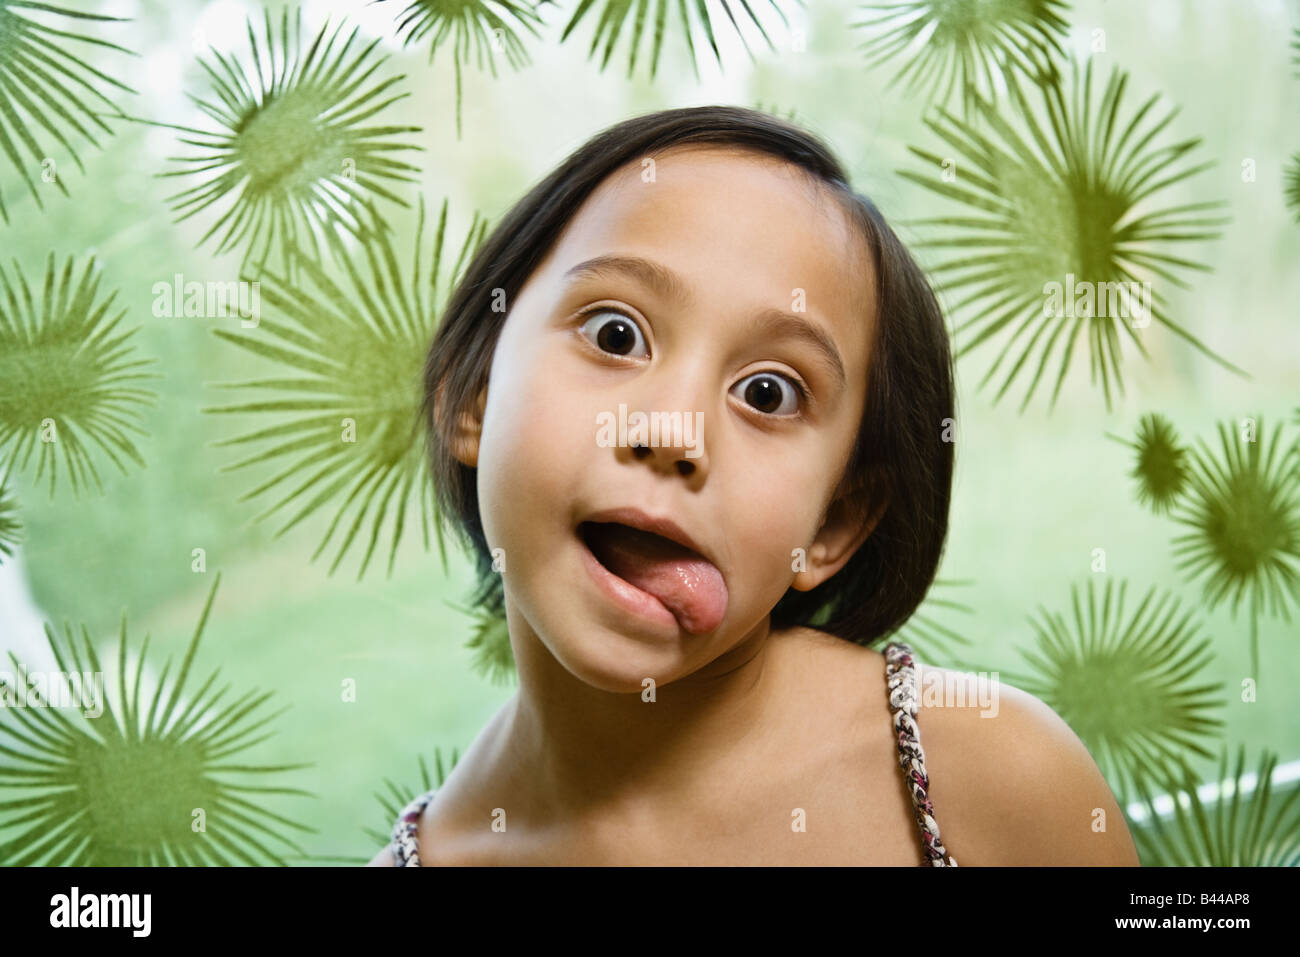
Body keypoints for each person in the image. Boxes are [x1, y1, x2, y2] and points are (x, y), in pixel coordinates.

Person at [368, 105, 1139, 866]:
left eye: (768, 393)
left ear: (833, 525)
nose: (674, 432)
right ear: (471, 392)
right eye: (615, 335)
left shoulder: (992, 774)